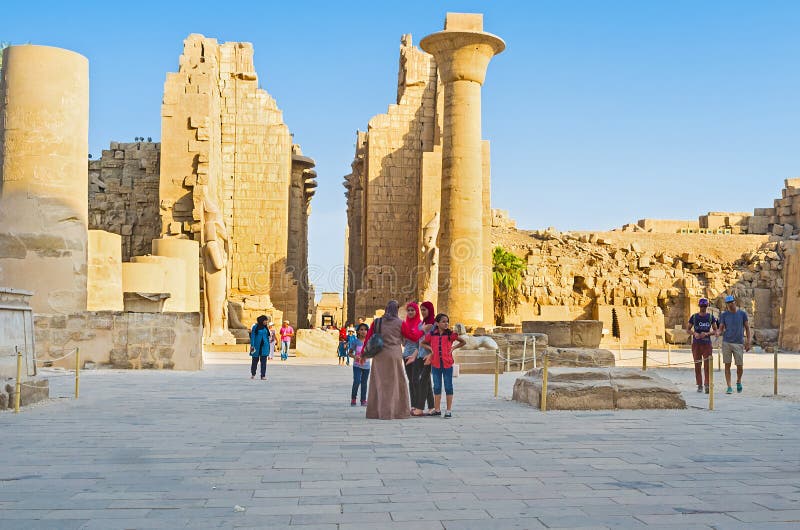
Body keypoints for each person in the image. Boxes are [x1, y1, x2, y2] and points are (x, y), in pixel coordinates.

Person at [363, 301, 411, 419]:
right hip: (394, 355)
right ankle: (396, 412)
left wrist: (362, 353)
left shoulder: (377, 322)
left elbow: (368, 338)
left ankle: (376, 412)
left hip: (379, 355)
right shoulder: (400, 323)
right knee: (395, 383)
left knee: (379, 383)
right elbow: (409, 337)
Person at [421, 313, 466, 418]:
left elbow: (463, 342)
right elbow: (422, 343)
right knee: (436, 387)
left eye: (447, 322)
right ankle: (437, 409)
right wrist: (431, 350)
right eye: (443, 321)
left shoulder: (451, 334)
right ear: (437, 323)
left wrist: (454, 348)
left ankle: (448, 410)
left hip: (447, 364)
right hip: (435, 364)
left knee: (448, 386)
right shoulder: (432, 335)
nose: (446, 324)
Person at [718, 294, 751, 394]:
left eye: (732, 302)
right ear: (726, 305)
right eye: (728, 303)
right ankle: (729, 386)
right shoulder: (724, 315)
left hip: (738, 343)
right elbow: (721, 328)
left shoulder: (742, 314)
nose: (730, 305)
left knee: (739, 365)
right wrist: (717, 332)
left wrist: (748, 341)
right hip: (727, 342)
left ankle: (738, 381)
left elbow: (747, 328)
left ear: (734, 302)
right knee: (727, 365)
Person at [686, 298, 718, 394]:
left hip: (706, 344)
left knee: (707, 365)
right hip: (696, 344)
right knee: (697, 365)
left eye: (705, 306)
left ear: (707, 306)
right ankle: (699, 385)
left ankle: (707, 384)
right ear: (699, 306)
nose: (703, 308)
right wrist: (694, 333)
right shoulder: (694, 317)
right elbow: (687, 329)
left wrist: (707, 334)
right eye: (702, 306)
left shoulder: (710, 317)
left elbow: (715, 330)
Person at [411, 301, 436, 415]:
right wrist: (414, 355)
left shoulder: (434, 324)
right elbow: (418, 341)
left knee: (423, 381)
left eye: (424, 310)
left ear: (430, 310)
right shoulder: (422, 324)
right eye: (421, 310)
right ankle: (431, 407)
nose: (422, 312)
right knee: (423, 382)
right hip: (420, 355)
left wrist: (431, 353)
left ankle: (419, 408)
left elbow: (435, 341)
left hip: (428, 356)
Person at [401, 302, 424, 415]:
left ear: (416, 311)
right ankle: (413, 405)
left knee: (416, 380)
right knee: (411, 381)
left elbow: (421, 343)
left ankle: (419, 406)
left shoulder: (420, 324)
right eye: (408, 310)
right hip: (406, 355)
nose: (410, 312)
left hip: (416, 355)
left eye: (412, 310)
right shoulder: (405, 324)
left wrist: (415, 354)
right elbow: (404, 343)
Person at [349, 323, 370, 406]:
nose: (363, 331)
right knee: (357, 381)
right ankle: (353, 398)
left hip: (366, 366)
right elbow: (350, 353)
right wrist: (355, 357)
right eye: (361, 329)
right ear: (357, 331)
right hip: (357, 366)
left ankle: (363, 400)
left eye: (365, 330)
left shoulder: (369, 342)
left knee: (364, 383)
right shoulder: (355, 342)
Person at [249, 315, 271, 380]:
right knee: (254, 361)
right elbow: (252, 336)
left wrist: (268, 346)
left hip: (264, 347)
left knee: (264, 362)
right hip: (256, 346)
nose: (266, 321)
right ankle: (253, 373)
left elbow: (267, 337)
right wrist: (252, 345)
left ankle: (263, 375)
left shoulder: (265, 327)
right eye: (265, 320)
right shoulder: (255, 327)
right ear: (261, 320)